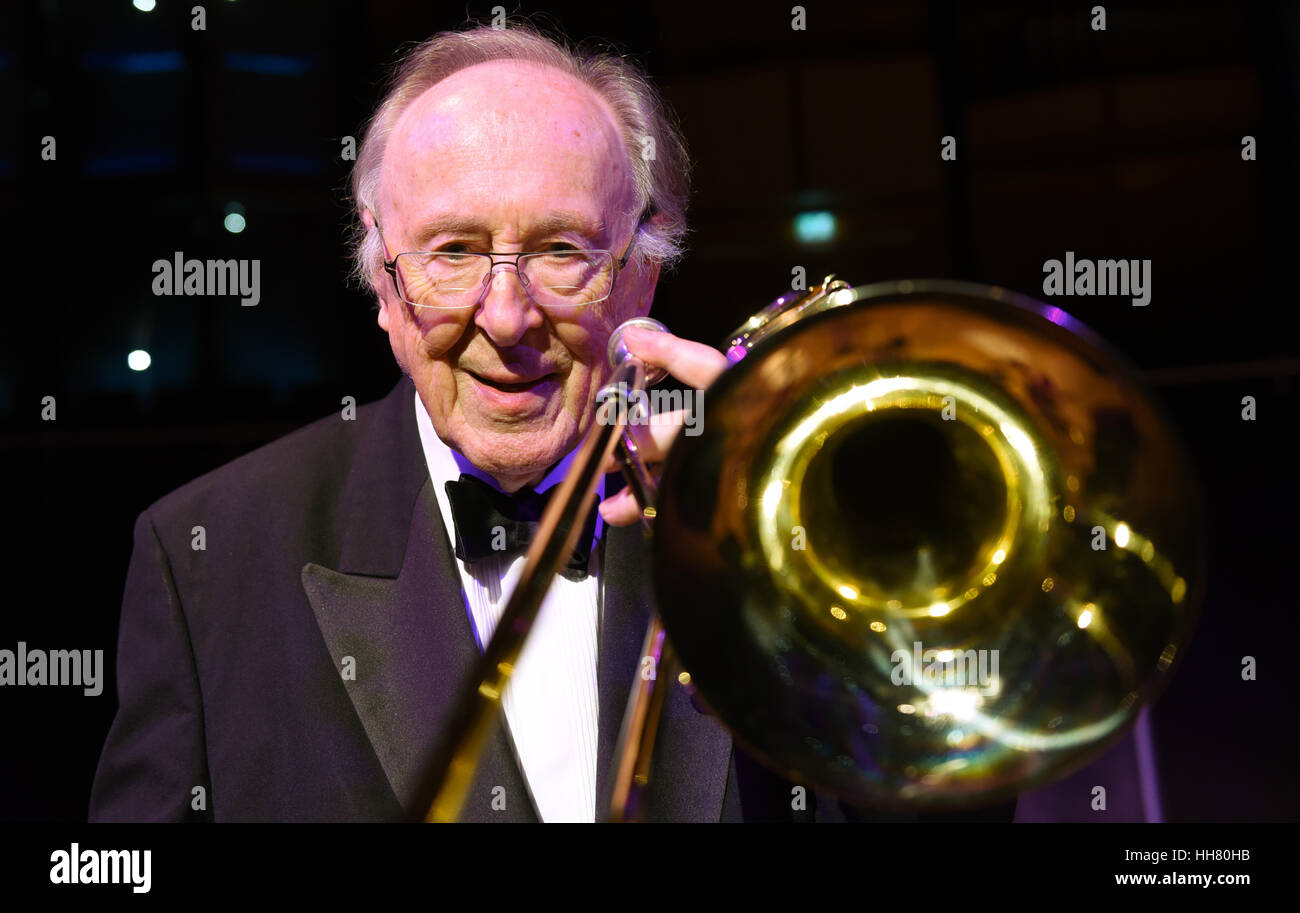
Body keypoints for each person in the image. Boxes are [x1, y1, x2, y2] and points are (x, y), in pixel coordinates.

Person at [89, 20, 1015, 823]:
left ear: (646, 271)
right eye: (451, 251)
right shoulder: (207, 552)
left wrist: (831, 561)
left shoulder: (774, 535)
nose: (507, 316)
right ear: (383, 281)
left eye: (562, 251)